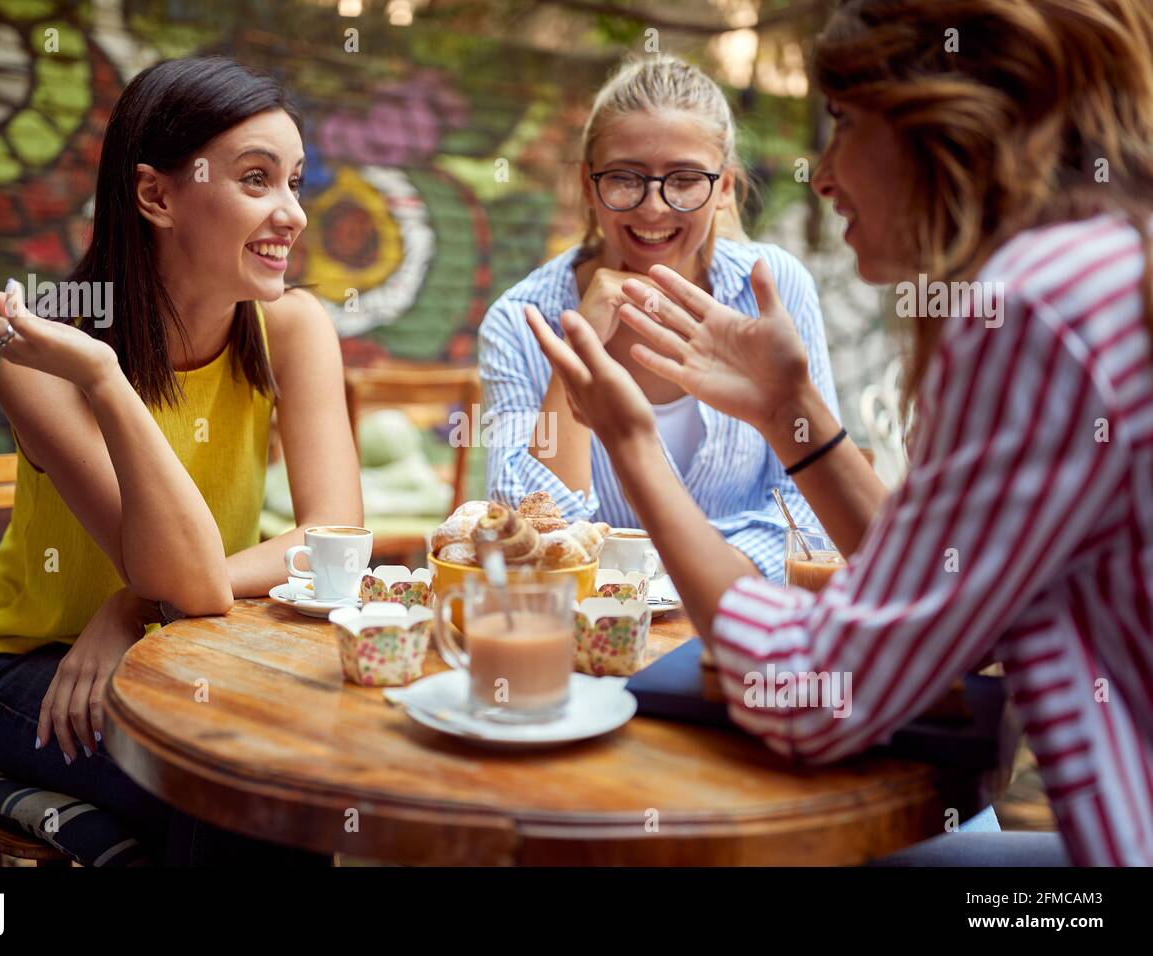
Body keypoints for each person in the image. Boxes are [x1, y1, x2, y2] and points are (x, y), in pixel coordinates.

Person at [527, 0, 1153, 865]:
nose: (821, 176)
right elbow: (951, 602)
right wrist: (793, 411)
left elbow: (808, 695)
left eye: (846, 126)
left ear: (944, 125)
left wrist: (631, 446)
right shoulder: (1104, 264)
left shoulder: (1039, 310)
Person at [0, 56, 363, 864]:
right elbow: (190, 583)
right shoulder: (44, 365)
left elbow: (334, 535)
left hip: (186, 647)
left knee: (289, 777)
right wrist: (101, 374)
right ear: (157, 196)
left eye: (295, 182)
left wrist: (134, 606)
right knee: (230, 786)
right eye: (257, 179)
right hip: (35, 670)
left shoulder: (294, 328)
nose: (293, 213)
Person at [479, 55, 839, 583]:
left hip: (744, 618)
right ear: (587, 184)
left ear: (724, 189)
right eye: (624, 178)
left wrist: (700, 586)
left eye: (685, 179)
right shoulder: (519, 322)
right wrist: (577, 354)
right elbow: (530, 537)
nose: (652, 208)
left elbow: (813, 504)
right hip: (592, 631)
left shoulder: (774, 290)